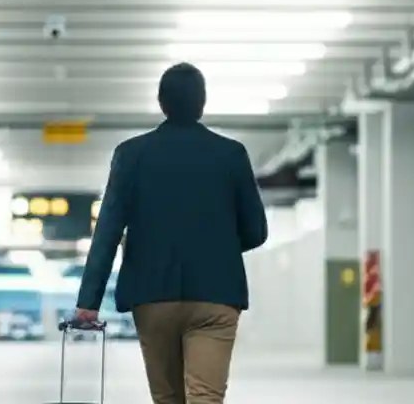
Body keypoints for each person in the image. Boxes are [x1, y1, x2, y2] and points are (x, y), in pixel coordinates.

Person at [74, 62, 269, 404]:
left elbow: (107, 229)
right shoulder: (231, 154)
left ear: (161, 102)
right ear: (202, 103)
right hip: (216, 294)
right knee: (206, 397)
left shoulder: (131, 154)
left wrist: (89, 302)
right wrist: (217, 246)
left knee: (167, 398)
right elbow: (256, 231)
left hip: (152, 296)